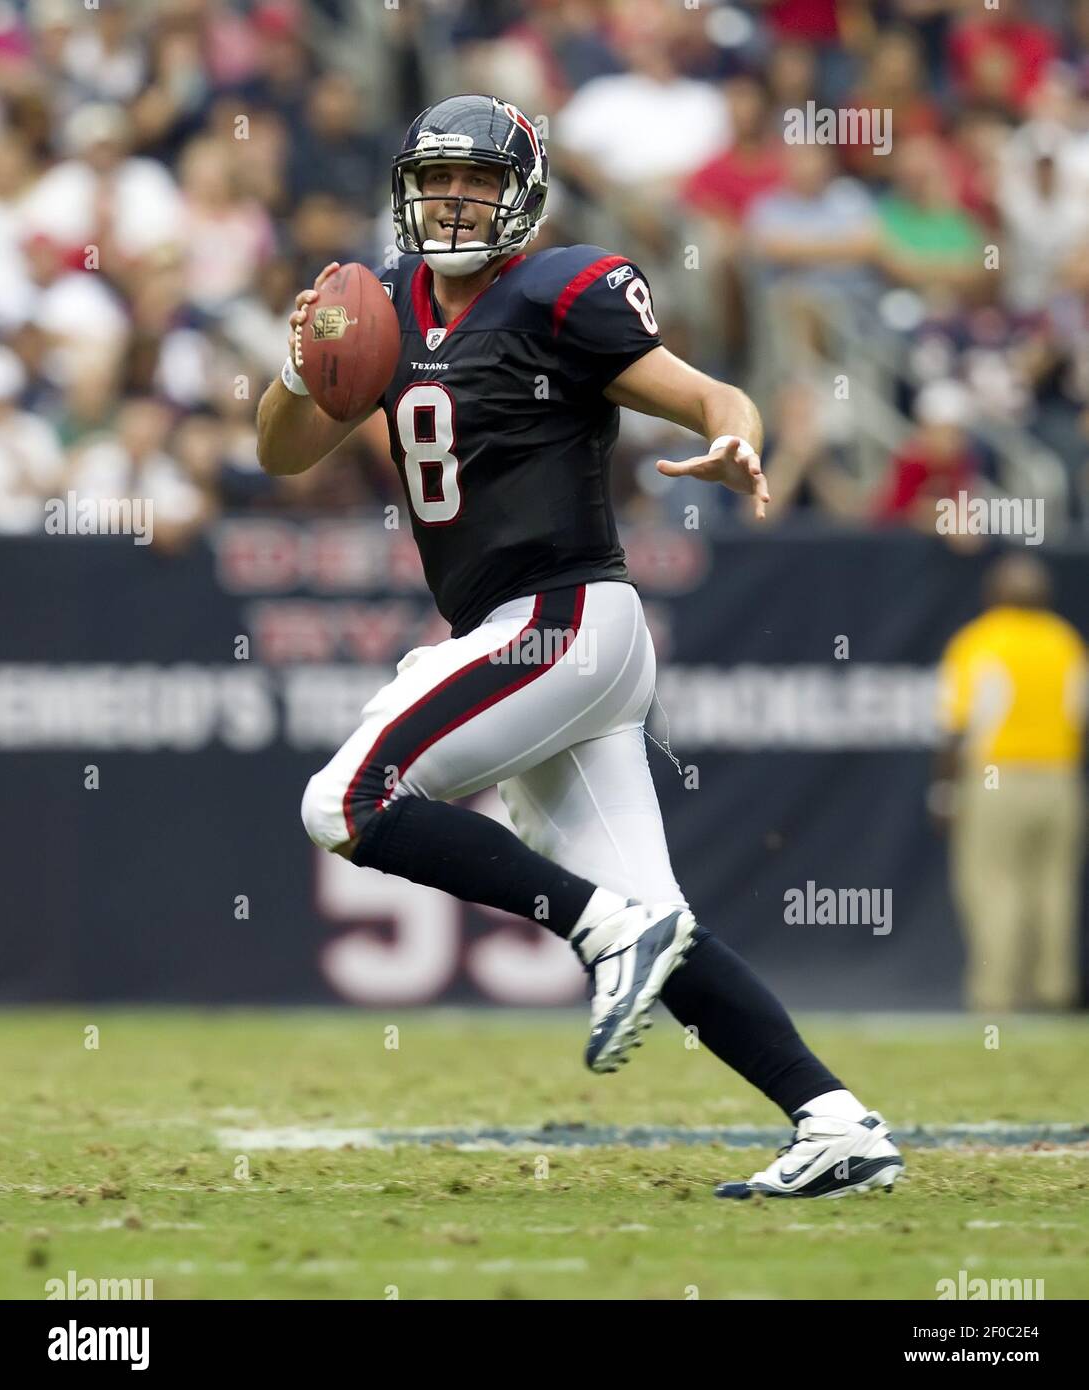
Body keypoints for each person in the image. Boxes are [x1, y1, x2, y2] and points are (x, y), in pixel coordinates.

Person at [256, 95, 904, 1199]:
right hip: (529, 640)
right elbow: (281, 454)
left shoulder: (557, 291)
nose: (451, 200)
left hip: (563, 618)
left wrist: (733, 432)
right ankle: (833, 1119)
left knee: (345, 802)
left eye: (475, 181)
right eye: (435, 180)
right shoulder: (385, 308)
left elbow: (704, 390)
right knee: (665, 926)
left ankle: (603, 928)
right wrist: (296, 365)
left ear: (521, 196)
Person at [934, 553, 1088, 1012]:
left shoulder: (980, 642)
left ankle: (998, 996)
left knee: (994, 884)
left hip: (997, 779)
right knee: (1055, 887)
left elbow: (956, 725)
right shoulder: (1065, 641)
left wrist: (945, 790)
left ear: (993, 594)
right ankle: (1053, 990)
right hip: (1060, 780)